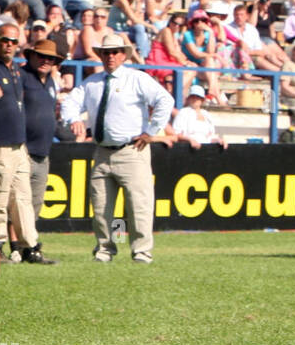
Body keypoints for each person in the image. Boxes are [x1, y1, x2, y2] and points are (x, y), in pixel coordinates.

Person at [59, 33, 174, 264]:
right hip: (102, 152)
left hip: (132, 150)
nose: (110, 56)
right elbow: (70, 102)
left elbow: (165, 100)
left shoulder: (136, 78)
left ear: (123, 55)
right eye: (106, 52)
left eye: (114, 52)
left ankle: (141, 251)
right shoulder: (92, 83)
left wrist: (151, 131)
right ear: (100, 55)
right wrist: (73, 119)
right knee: (101, 206)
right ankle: (104, 249)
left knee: (138, 205)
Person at [0, 22, 51, 265]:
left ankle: (31, 247)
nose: (9, 45)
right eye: (5, 40)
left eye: (14, 41)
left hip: (19, 146)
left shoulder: (15, 70)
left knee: (22, 198)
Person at [19, 38, 63, 264]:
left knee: (34, 204)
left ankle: (27, 248)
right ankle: (15, 248)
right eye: (41, 56)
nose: (45, 61)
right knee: (17, 202)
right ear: (31, 56)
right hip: (23, 150)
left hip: (43, 153)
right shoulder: (21, 77)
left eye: (50, 58)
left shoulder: (52, 82)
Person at [169, 85, 223, 149]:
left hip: (206, 149)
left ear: (202, 100)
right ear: (188, 99)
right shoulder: (183, 113)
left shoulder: (206, 114)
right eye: (192, 97)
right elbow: (177, 134)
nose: (195, 99)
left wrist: (219, 140)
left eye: (198, 97)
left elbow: (210, 137)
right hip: (188, 148)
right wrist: (190, 140)